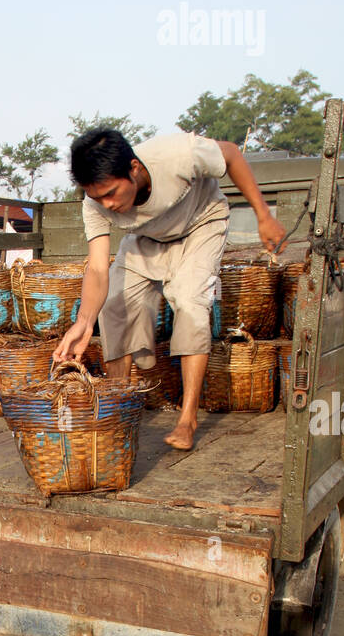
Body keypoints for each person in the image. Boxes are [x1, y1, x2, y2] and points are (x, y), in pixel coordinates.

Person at [52, 128, 286, 451]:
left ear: (133, 168)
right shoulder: (95, 205)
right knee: (115, 306)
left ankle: (187, 419)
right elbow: (96, 267)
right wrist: (84, 321)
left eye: (111, 193)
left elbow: (231, 153)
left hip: (200, 225)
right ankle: (119, 409)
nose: (107, 204)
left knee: (191, 303)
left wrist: (263, 215)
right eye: (97, 197)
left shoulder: (178, 154)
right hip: (147, 237)